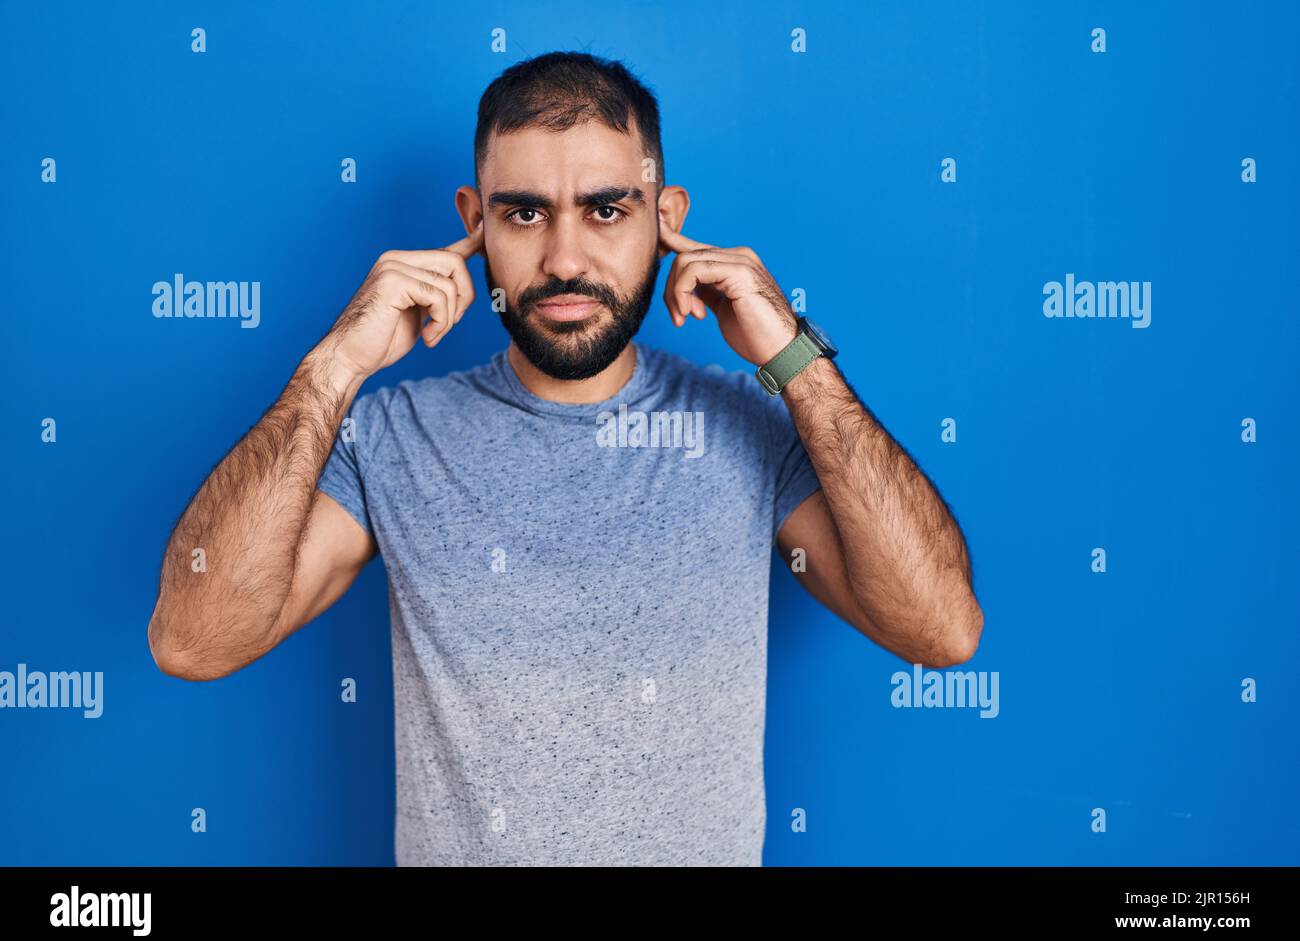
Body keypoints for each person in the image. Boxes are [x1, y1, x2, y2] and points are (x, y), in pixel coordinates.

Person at [147, 51, 983, 866]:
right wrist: (334, 367)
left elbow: (940, 631)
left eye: (607, 210)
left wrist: (794, 357)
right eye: (524, 213)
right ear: (475, 222)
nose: (565, 260)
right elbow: (194, 643)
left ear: (666, 218)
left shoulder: (749, 426)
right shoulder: (391, 434)